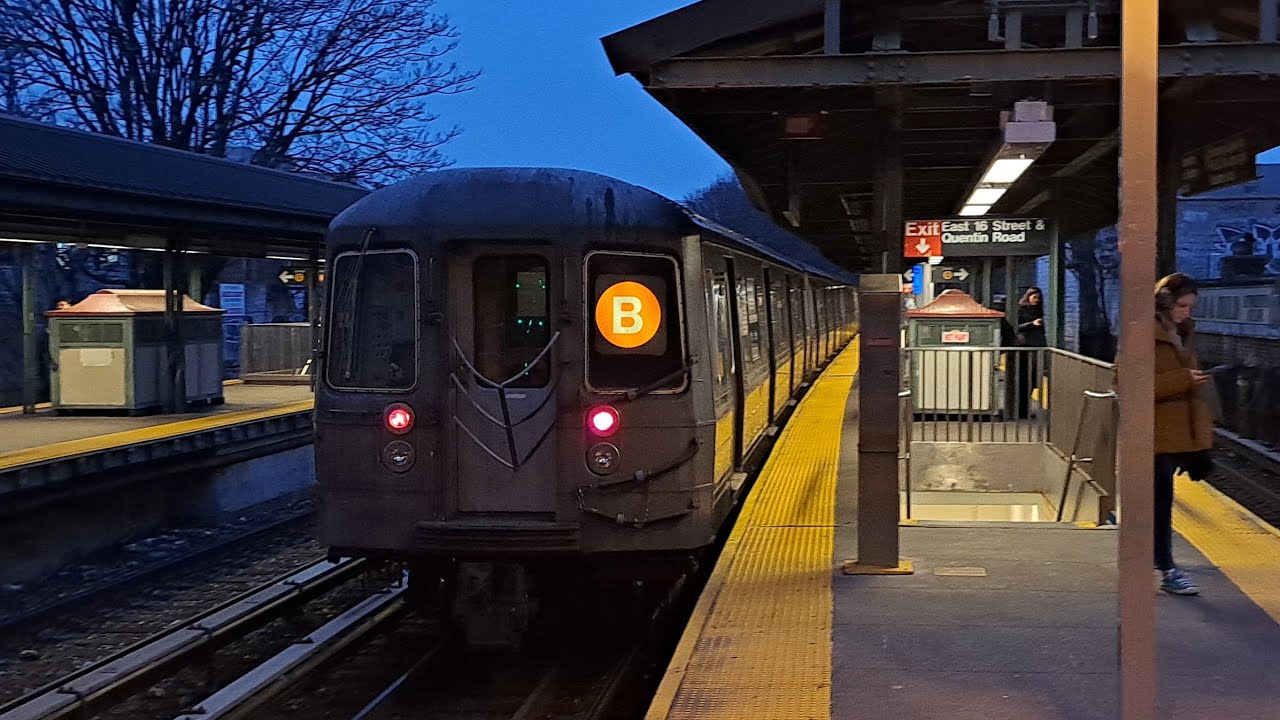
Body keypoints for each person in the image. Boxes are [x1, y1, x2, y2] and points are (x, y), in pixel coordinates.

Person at [1153, 272, 1213, 596]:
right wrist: (1183, 379)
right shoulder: (1144, 336)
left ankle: (1161, 561)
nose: (1187, 312)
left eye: (1190, 307)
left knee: (1161, 502)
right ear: (1164, 303)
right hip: (1153, 435)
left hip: (1178, 434)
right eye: (1182, 305)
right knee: (1159, 504)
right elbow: (1129, 385)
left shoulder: (1183, 334)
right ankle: (1167, 567)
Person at [1014, 287, 1046, 418]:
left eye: (1038, 298)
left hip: (1037, 347)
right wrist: (1032, 324)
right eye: (1034, 297)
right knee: (1024, 379)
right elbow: (1017, 327)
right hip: (1025, 347)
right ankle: (1020, 410)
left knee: (1033, 379)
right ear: (1028, 297)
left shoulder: (1040, 311)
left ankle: (1025, 408)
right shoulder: (1021, 310)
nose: (1036, 300)